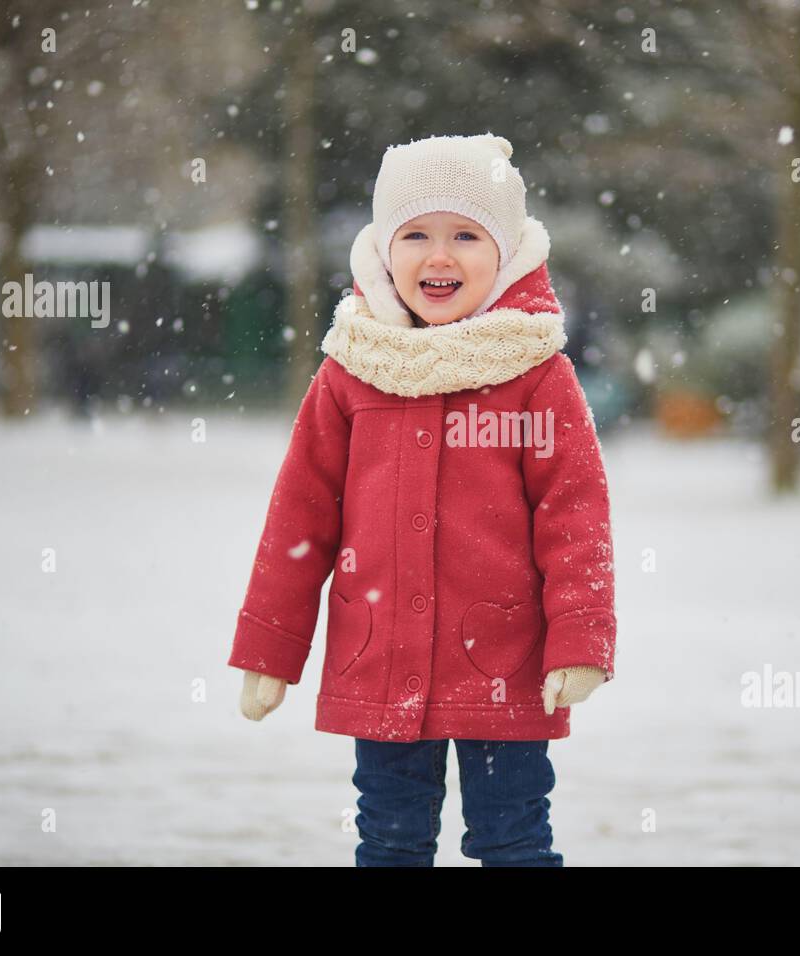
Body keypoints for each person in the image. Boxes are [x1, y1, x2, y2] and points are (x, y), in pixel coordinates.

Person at [226, 134, 617, 866]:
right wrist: (270, 647)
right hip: (380, 663)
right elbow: (300, 517)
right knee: (390, 841)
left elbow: (574, 516)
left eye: (466, 235)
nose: (439, 257)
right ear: (382, 250)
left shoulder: (536, 372)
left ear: (506, 252)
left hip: (508, 665)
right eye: (416, 235)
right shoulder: (351, 373)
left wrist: (582, 639)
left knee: (514, 839)